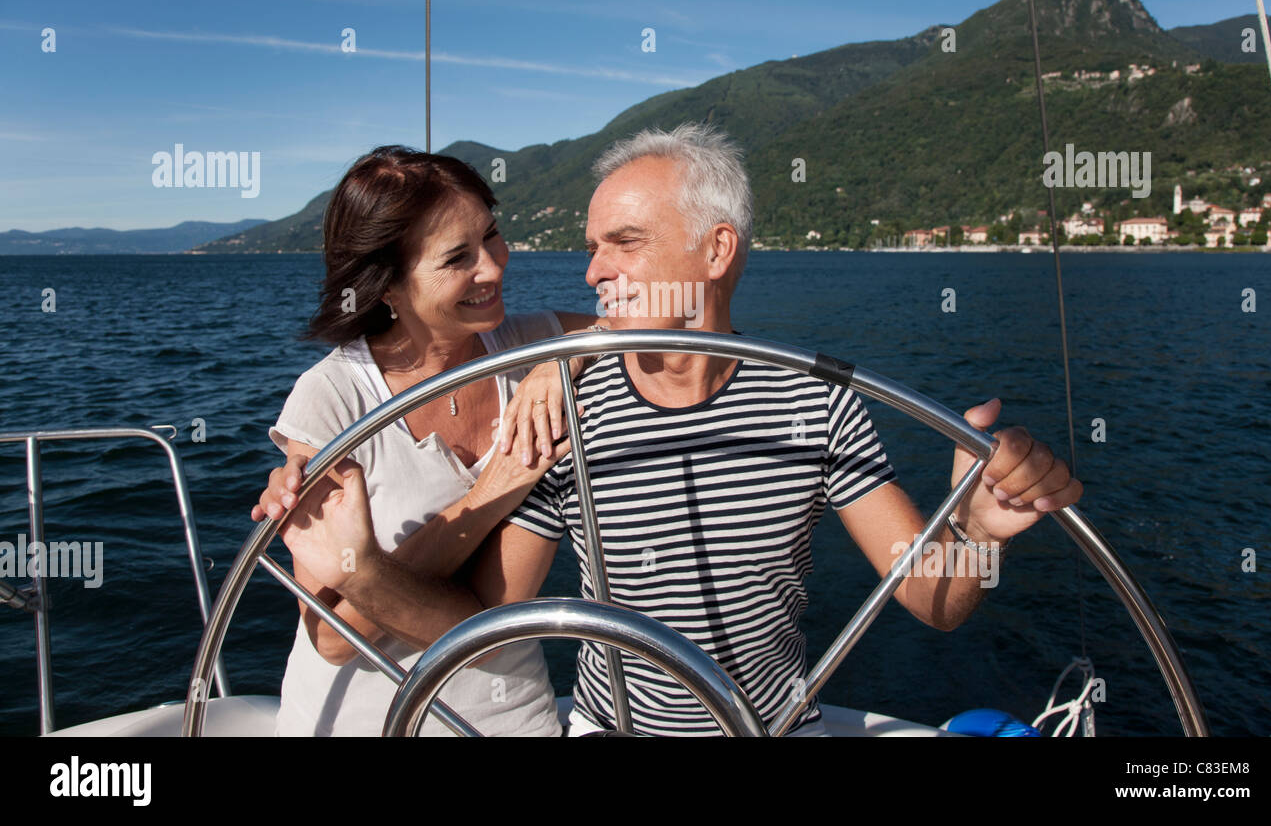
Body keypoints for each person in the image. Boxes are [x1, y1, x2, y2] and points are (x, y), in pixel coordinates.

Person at [269, 124, 1083, 736]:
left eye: (622, 243)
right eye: (591, 248)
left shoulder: (815, 399)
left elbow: (931, 599)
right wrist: (368, 570)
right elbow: (485, 620)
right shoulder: (569, 414)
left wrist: (977, 528)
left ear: (716, 249)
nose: (591, 271)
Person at [252, 145, 597, 736]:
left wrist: (555, 363)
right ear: (386, 285)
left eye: (491, 236)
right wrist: (492, 488)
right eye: (457, 258)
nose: (492, 267)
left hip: (514, 719)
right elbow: (332, 639)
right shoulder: (333, 399)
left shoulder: (532, 344)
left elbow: (643, 323)